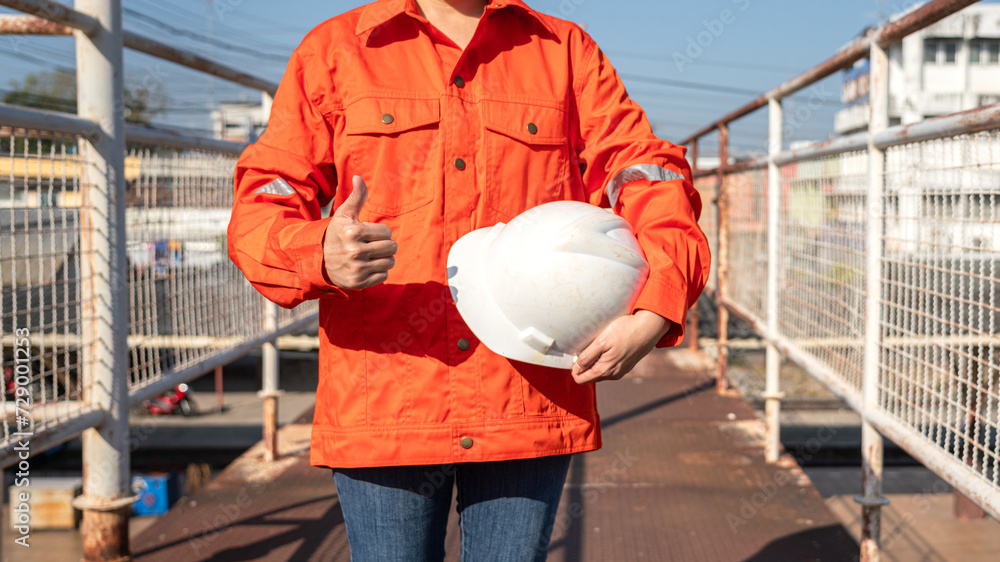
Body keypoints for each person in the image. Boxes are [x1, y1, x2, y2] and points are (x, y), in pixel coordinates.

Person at [227, 0, 710, 560]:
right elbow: (265, 200)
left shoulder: (564, 51)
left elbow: (647, 172)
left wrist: (657, 307)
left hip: (525, 394)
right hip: (385, 396)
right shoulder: (336, 51)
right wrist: (318, 253)